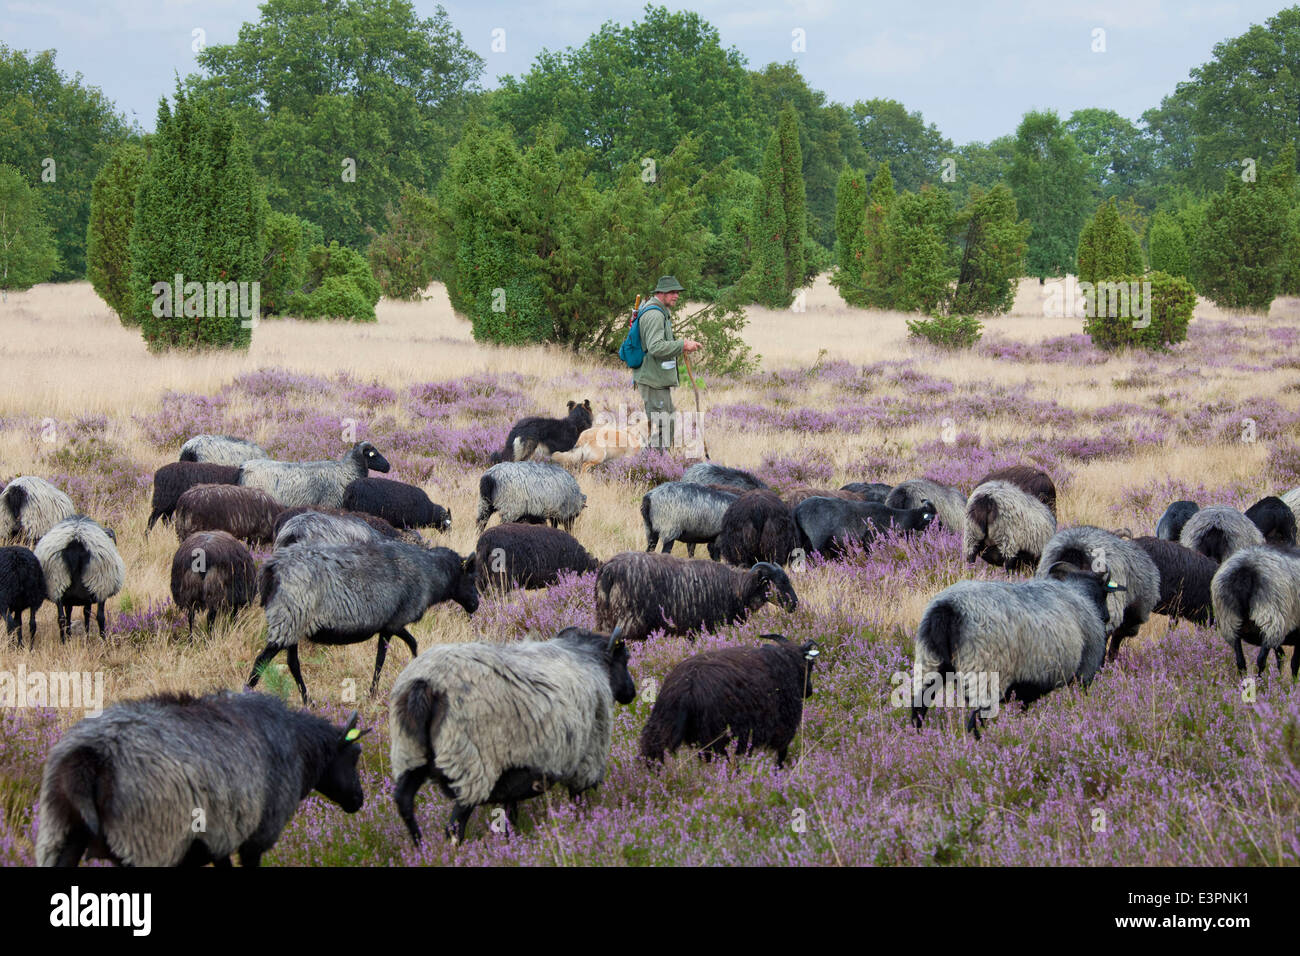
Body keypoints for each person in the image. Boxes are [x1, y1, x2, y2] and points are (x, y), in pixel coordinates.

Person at [633, 276, 701, 450]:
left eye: (677, 292)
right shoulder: (655, 314)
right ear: (660, 293)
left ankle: (655, 464)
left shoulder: (659, 311)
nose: (676, 295)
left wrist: (680, 346)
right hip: (652, 379)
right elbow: (655, 347)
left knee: (666, 421)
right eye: (672, 292)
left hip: (656, 378)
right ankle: (655, 467)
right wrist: (683, 344)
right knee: (663, 425)